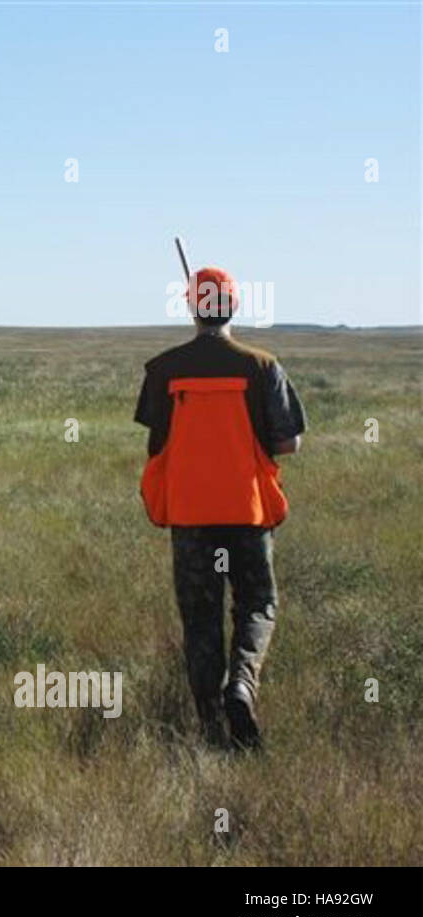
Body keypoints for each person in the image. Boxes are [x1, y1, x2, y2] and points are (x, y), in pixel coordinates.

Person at [135, 266, 306, 749]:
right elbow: (288, 441)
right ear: (234, 306)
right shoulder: (262, 366)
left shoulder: (163, 369)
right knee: (258, 604)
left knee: (200, 618)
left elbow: (157, 446)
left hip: (191, 517)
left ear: (192, 308)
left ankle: (211, 731)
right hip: (247, 514)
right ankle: (242, 687)